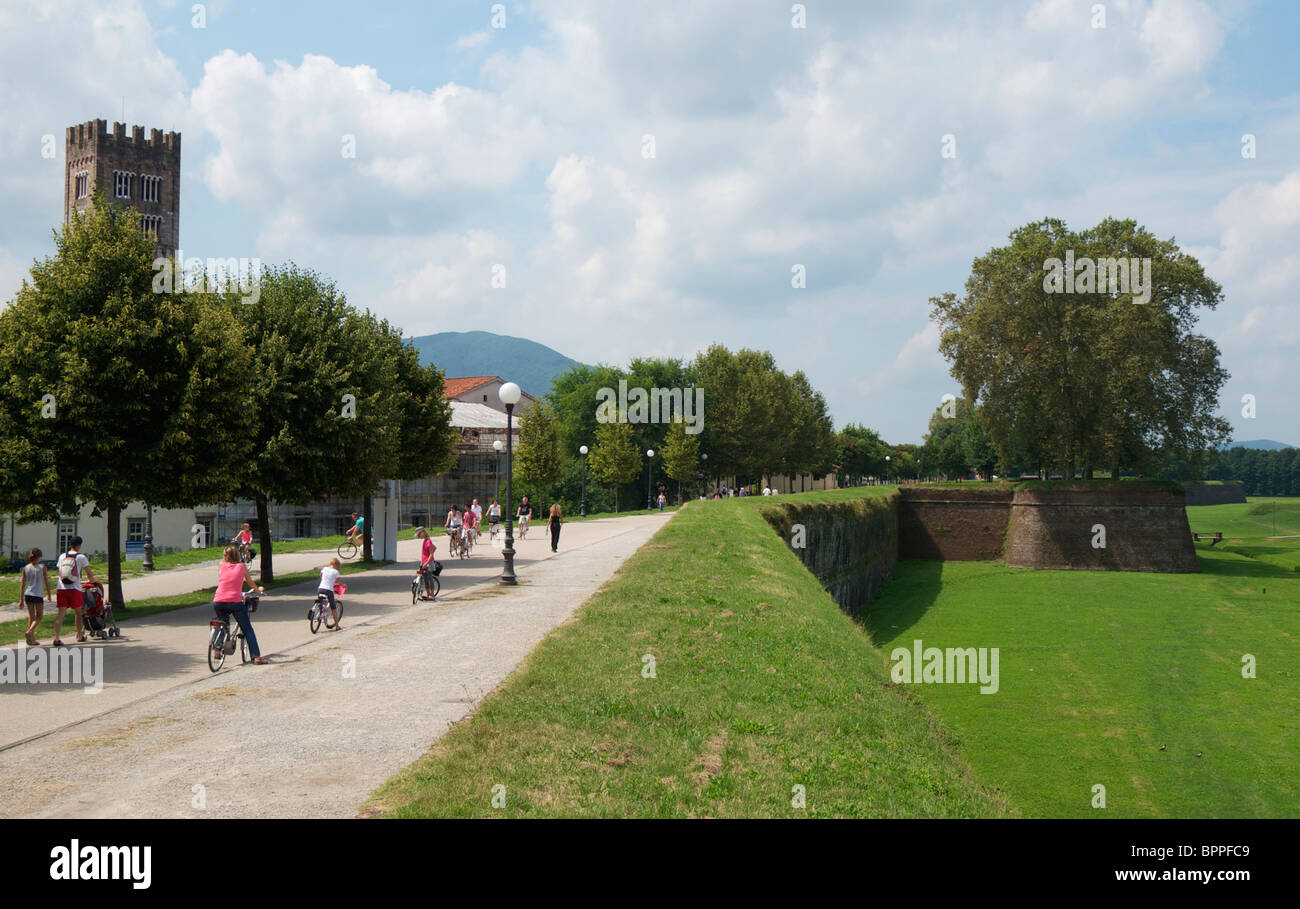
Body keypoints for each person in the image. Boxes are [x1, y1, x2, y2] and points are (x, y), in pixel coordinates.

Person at [213, 546, 267, 663]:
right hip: (234, 602)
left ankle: (217, 650)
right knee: (247, 628)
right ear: (238, 555)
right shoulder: (241, 567)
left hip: (218, 601)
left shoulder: (221, 565)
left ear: (225, 556)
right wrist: (259, 590)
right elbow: (250, 583)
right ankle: (256, 656)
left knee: (223, 624)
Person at [53, 536, 95, 646]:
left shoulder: (62, 556)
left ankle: (56, 638)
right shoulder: (81, 557)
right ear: (79, 545)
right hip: (74, 588)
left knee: (60, 614)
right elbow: (89, 572)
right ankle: (79, 636)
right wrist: (92, 582)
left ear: (70, 545)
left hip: (61, 588)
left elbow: (60, 571)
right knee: (78, 613)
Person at [22, 547, 52, 647]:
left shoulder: (26, 568)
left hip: (28, 594)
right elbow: (47, 582)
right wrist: (49, 594)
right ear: (39, 557)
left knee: (32, 617)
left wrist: (20, 600)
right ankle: (29, 632)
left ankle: (31, 639)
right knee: (39, 616)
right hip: (38, 594)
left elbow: (23, 584)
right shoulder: (42, 567)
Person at [317, 557, 344, 631]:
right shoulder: (336, 572)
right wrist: (343, 585)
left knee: (321, 602)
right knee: (333, 607)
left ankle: (318, 612)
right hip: (328, 590)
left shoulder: (325, 568)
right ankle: (337, 626)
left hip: (320, 588)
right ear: (337, 566)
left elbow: (321, 576)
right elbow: (338, 582)